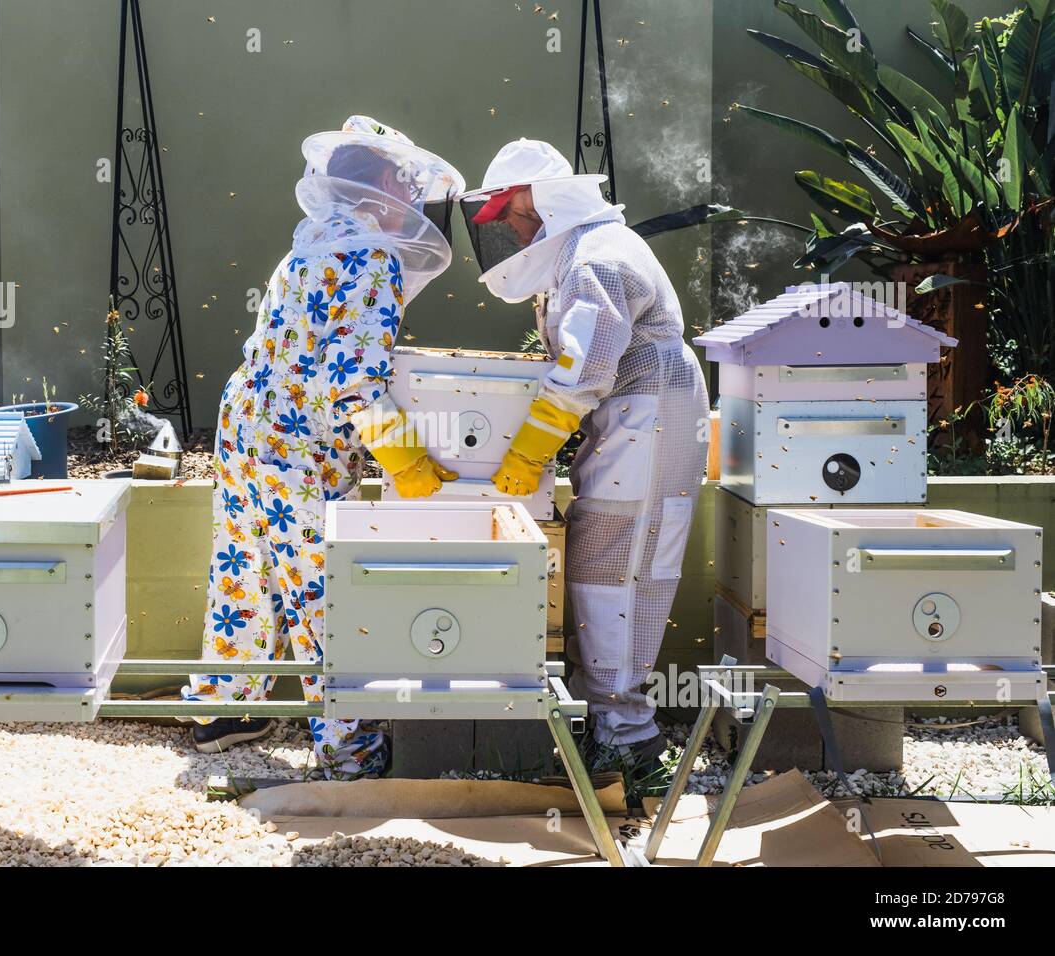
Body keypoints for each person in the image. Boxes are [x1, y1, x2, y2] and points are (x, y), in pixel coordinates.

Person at [183, 116, 464, 779]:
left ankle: (224, 711)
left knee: (243, 565)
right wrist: (406, 460)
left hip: (246, 423)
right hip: (300, 448)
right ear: (377, 188)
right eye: (405, 178)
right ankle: (349, 751)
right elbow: (351, 380)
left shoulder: (309, 245)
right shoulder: (372, 256)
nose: (415, 192)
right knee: (321, 590)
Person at [459, 139, 709, 775]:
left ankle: (630, 740)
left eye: (508, 220)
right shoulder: (584, 251)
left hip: (648, 418)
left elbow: (584, 368)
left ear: (537, 206)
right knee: (603, 554)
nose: (511, 237)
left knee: (621, 566)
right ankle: (612, 723)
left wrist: (530, 450)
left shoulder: (599, 258)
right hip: (633, 417)